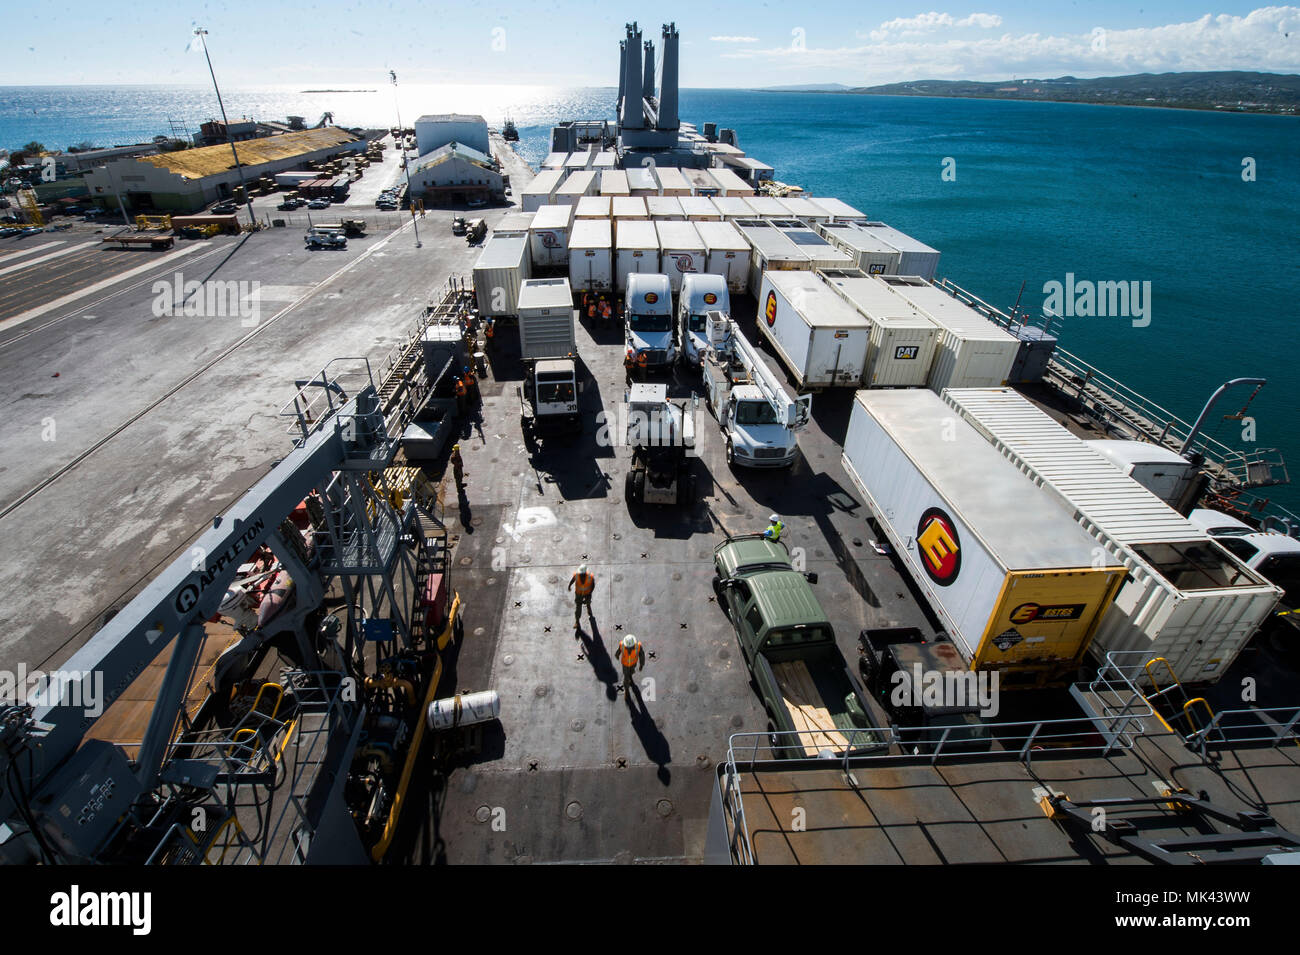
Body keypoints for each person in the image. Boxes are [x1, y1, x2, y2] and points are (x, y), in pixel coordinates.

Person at [568, 563, 595, 629]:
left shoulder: (590, 577)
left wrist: (590, 593)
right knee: (578, 608)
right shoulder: (576, 575)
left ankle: (588, 607)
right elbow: (573, 580)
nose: (580, 575)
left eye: (582, 574)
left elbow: (593, 585)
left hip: (587, 594)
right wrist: (569, 585)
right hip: (578, 594)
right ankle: (577, 622)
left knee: (588, 603)